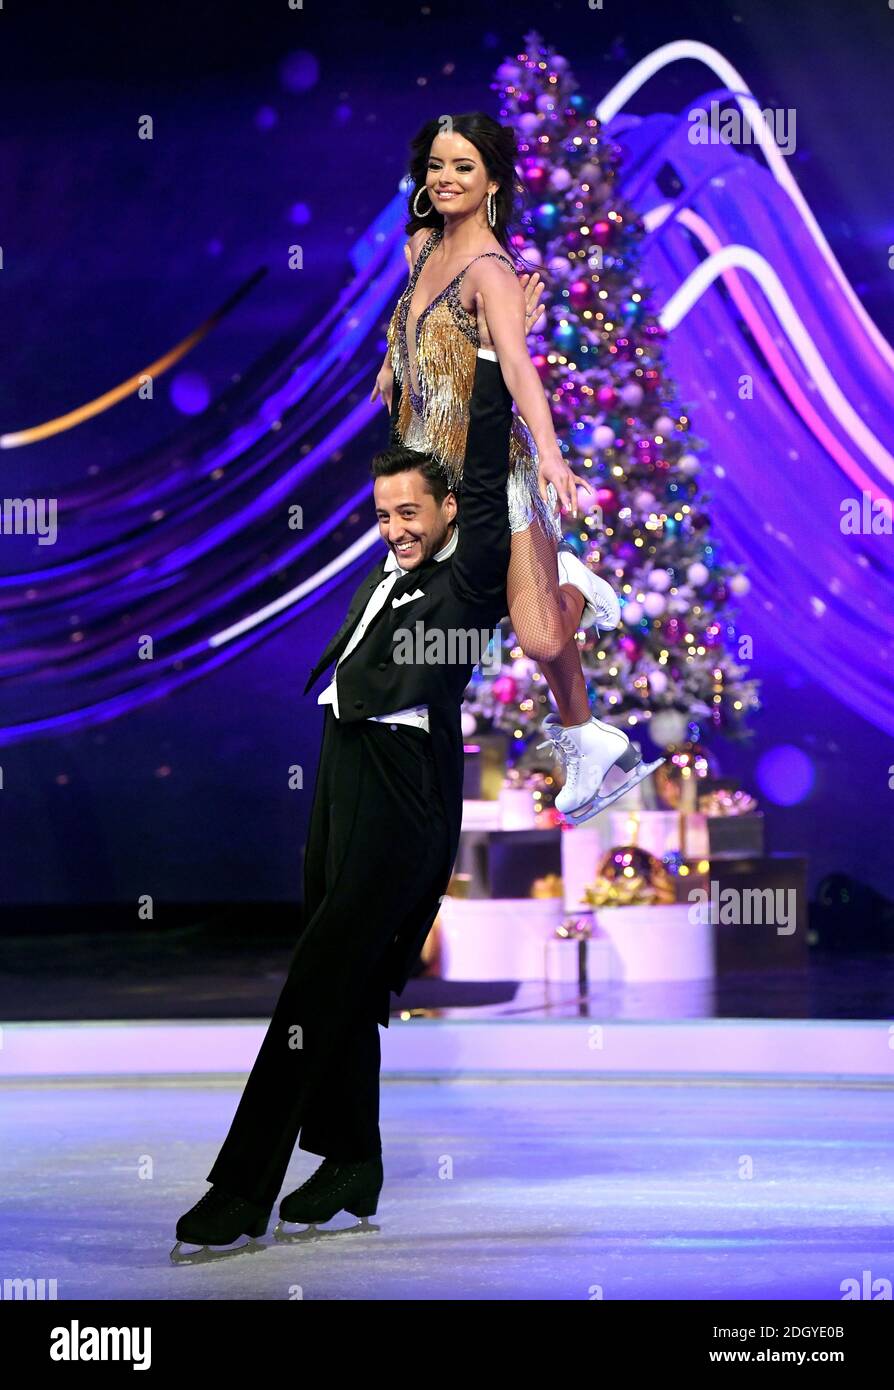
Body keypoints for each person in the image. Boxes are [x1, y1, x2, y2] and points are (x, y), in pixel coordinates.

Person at [172, 289, 551, 1256]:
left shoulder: (466, 573)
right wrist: (412, 355)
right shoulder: (391, 566)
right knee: (342, 978)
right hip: (343, 775)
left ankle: (237, 1189)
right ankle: (350, 1161)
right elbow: (422, 439)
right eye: (383, 513)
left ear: (449, 510)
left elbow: (476, 450)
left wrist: (495, 354)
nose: (394, 526)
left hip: (400, 791)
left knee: (316, 982)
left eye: (410, 511)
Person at [372, 111, 663, 822]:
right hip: (423, 470)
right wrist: (390, 367)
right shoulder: (420, 248)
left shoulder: (493, 272)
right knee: (425, 617)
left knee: (537, 636)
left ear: (493, 181)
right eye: (437, 165)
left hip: (490, 473)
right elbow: (414, 326)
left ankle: (570, 592)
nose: (445, 178)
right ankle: (580, 731)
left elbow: (519, 372)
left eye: (463, 167)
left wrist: (556, 460)